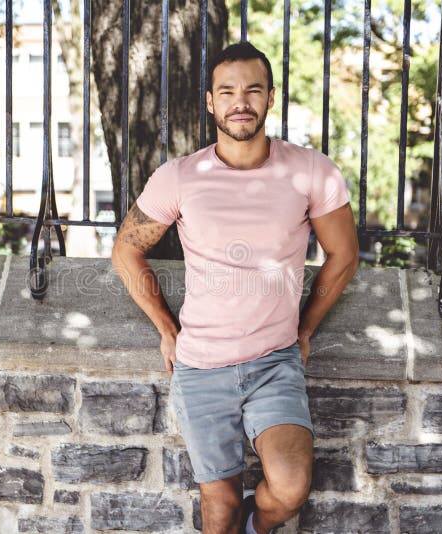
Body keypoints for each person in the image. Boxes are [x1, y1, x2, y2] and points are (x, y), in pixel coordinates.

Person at [111, 42, 359, 534]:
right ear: (210, 102)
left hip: (274, 362)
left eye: (252, 90)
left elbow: (343, 255)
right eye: (227, 92)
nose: (240, 102)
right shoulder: (179, 177)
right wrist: (166, 327)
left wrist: (306, 328)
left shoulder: (311, 171)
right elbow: (125, 250)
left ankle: (257, 527)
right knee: (217, 508)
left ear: (270, 98)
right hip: (200, 367)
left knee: (289, 487)